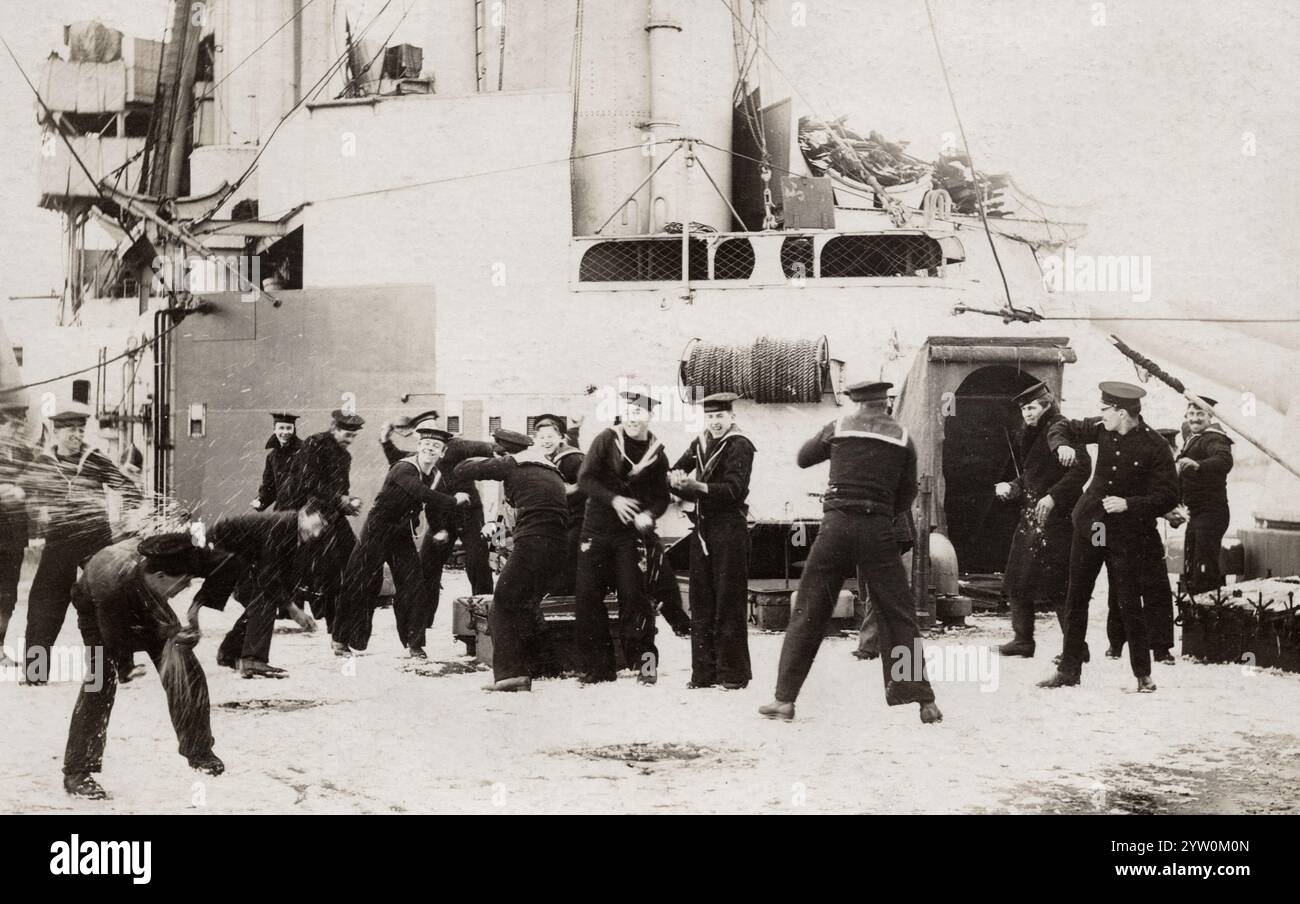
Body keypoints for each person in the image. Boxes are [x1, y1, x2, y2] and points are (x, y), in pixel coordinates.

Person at [760, 380, 941, 724]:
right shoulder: (903, 437)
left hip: (836, 527)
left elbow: (802, 458)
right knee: (897, 612)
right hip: (878, 530)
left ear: (856, 403)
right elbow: (906, 495)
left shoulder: (840, 426)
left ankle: (784, 699)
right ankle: (924, 701)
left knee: (810, 607)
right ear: (885, 404)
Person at [1039, 382, 1179, 693]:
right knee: (1077, 596)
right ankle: (1068, 671)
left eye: (1105, 410)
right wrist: (1061, 445)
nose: (1100, 415)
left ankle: (1143, 674)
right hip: (1091, 525)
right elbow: (1061, 425)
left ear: (1122, 412)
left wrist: (1131, 504)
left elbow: (1169, 495)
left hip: (1127, 532)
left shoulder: (1155, 445)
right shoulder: (1103, 427)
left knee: (1129, 600)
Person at [62, 532, 225, 799]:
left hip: (145, 596)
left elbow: (229, 564)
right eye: (183, 584)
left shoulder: (175, 560)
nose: (184, 589)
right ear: (160, 576)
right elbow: (116, 637)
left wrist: (194, 613)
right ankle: (77, 770)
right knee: (101, 680)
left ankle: (199, 751)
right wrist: (127, 664)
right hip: (94, 606)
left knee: (184, 667)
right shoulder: (111, 584)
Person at [23, 410, 143, 685]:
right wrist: (35, 511)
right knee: (44, 606)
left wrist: (130, 515)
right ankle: (35, 673)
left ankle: (119, 667)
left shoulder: (96, 458)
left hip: (95, 539)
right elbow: (25, 492)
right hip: (60, 539)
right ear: (57, 433)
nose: (76, 436)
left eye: (80, 430)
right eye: (70, 431)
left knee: (108, 598)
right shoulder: (44, 462)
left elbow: (126, 487)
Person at [334, 426, 467, 657]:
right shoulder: (403, 467)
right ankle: (341, 640)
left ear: (442, 453)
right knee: (360, 583)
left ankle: (414, 643)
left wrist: (439, 529)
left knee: (414, 586)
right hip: (377, 529)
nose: (429, 449)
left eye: (435, 447)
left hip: (401, 533)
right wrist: (454, 500)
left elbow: (433, 505)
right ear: (418, 447)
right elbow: (420, 493)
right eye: (425, 445)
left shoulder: (436, 475)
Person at [456, 429, 568, 691]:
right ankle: (546, 667)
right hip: (558, 547)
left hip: (532, 542)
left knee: (503, 604)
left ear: (503, 451)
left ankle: (510, 675)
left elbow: (463, 470)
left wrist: (485, 451)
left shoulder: (513, 464)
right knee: (527, 603)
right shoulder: (551, 469)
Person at [574, 389, 671, 685]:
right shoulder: (607, 439)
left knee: (636, 600)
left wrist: (649, 515)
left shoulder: (657, 452)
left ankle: (647, 667)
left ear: (649, 417)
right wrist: (614, 500)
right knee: (588, 599)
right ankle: (598, 669)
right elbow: (585, 479)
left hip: (629, 537)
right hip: (596, 532)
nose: (633, 419)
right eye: (629, 414)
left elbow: (661, 497)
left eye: (639, 414)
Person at [992, 382, 1091, 658]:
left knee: (1061, 585)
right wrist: (1012, 487)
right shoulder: (1031, 433)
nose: (1027, 413)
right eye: (1024, 409)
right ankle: (1023, 640)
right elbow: (1031, 475)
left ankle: (1076, 648)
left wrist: (1054, 497)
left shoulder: (1064, 428)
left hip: (1061, 518)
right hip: (1033, 515)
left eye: (1032, 407)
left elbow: (1082, 469)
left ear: (1047, 405)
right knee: (1017, 578)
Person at [668, 391, 755, 689]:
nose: (715, 422)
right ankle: (703, 674)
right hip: (703, 529)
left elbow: (734, 490)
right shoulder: (700, 443)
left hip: (730, 529)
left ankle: (732, 674)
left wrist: (695, 486)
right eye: (710, 416)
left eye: (720, 416)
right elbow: (678, 473)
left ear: (732, 417)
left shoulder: (740, 445)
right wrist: (675, 481)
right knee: (701, 600)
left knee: (728, 601)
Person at [380, 416, 495, 628]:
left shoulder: (456, 446)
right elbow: (397, 458)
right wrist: (385, 440)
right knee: (427, 569)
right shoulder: (420, 456)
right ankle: (422, 622)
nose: (430, 440)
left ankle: (488, 618)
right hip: (440, 519)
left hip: (468, 514)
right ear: (418, 437)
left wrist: (503, 449)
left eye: (434, 434)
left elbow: (486, 448)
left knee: (477, 564)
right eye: (424, 434)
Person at [194, 504, 328, 677]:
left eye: (320, 530)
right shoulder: (281, 525)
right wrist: (293, 609)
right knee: (264, 599)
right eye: (315, 526)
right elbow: (268, 575)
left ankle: (230, 653)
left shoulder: (293, 531)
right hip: (218, 550)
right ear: (302, 516)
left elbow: (282, 574)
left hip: (234, 554)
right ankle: (252, 660)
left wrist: (291, 605)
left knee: (262, 599)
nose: (316, 534)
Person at [1104, 427, 1181, 665]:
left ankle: (1160, 648)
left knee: (1156, 588)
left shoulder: (1166, 470)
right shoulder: (1131, 465)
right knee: (1119, 589)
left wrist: (1168, 512)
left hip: (1146, 533)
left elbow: (1165, 496)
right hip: (1120, 532)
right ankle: (1116, 642)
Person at [283, 410, 364, 628]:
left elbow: (342, 488)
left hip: (330, 513)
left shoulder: (346, 456)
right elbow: (309, 482)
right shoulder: (315, 444)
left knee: (352, 555)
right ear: (334, 429)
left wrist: (348, 505)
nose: (350, 440)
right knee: (321, 564)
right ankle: (326, 617)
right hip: (305, 511)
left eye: (353, 436)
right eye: (347, 435)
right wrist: (340, 500)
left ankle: (339, 615)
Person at [1177, 396, 1234, 595]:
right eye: (1191, 414)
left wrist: (1199, 465)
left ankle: (1208, 615)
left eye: (1200, 414)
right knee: (1192, 565)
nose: (1195, 419)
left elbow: (1224, 460)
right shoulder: (1193, 437)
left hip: (1211, 515)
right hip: (1196, 514)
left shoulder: (1214, 439)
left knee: (1204, 570)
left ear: (1210, 416)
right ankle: (1198, 612)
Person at [533, 414, 585, 596]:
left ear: (561, 438)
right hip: (555, 520)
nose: (546, 441)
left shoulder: (572, 458)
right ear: (536, 439)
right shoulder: (541, 459)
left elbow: (589, 482)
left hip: (576, 519)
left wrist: (568, 490)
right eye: (542, 437)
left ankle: (564, 598)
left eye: (550, 437)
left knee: (567, 558)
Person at [0, 403, 33, 665]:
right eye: (12, 424)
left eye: (20, 424)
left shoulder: (25, 453)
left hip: (14, 537)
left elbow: (38, 483)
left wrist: (24, 491)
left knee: (8, 594)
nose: (17, 430)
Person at [253, 412, 302, 511]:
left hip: (302, 511)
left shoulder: (305, 450)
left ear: (294, 430)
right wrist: (260, 500)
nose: (285, 432)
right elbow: (270, 486)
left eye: (289, 428)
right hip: (282, 511)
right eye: (281, 428)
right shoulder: (272, 457)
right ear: (274, 430)